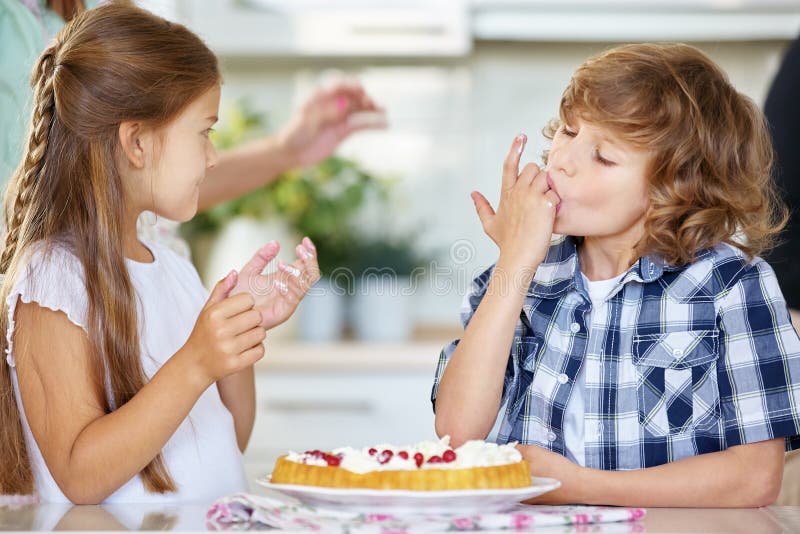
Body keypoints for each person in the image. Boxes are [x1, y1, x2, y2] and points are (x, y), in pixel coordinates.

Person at [432, 43, 800, 507]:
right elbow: (456, 432)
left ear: (676, 186)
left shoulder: (732, 287)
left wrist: (578, 486)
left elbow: (753, 479)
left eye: (603, 157)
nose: (561, 160)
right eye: (567, 132)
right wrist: (515, 261)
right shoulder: (513, 280)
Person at [0, 2, 320, 503]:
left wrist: (236, 335)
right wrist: (195, 362)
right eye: (204, 132)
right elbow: (80, 476)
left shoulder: (174, 268)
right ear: (137, 143)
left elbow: (226, 441)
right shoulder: (53, 279)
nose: (213, 157)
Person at [0, 0, 386, 256]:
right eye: (205, 133)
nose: (209, 154)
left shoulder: (100, 10)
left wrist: (287, 151)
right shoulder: (53, 288)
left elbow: (152, 177)